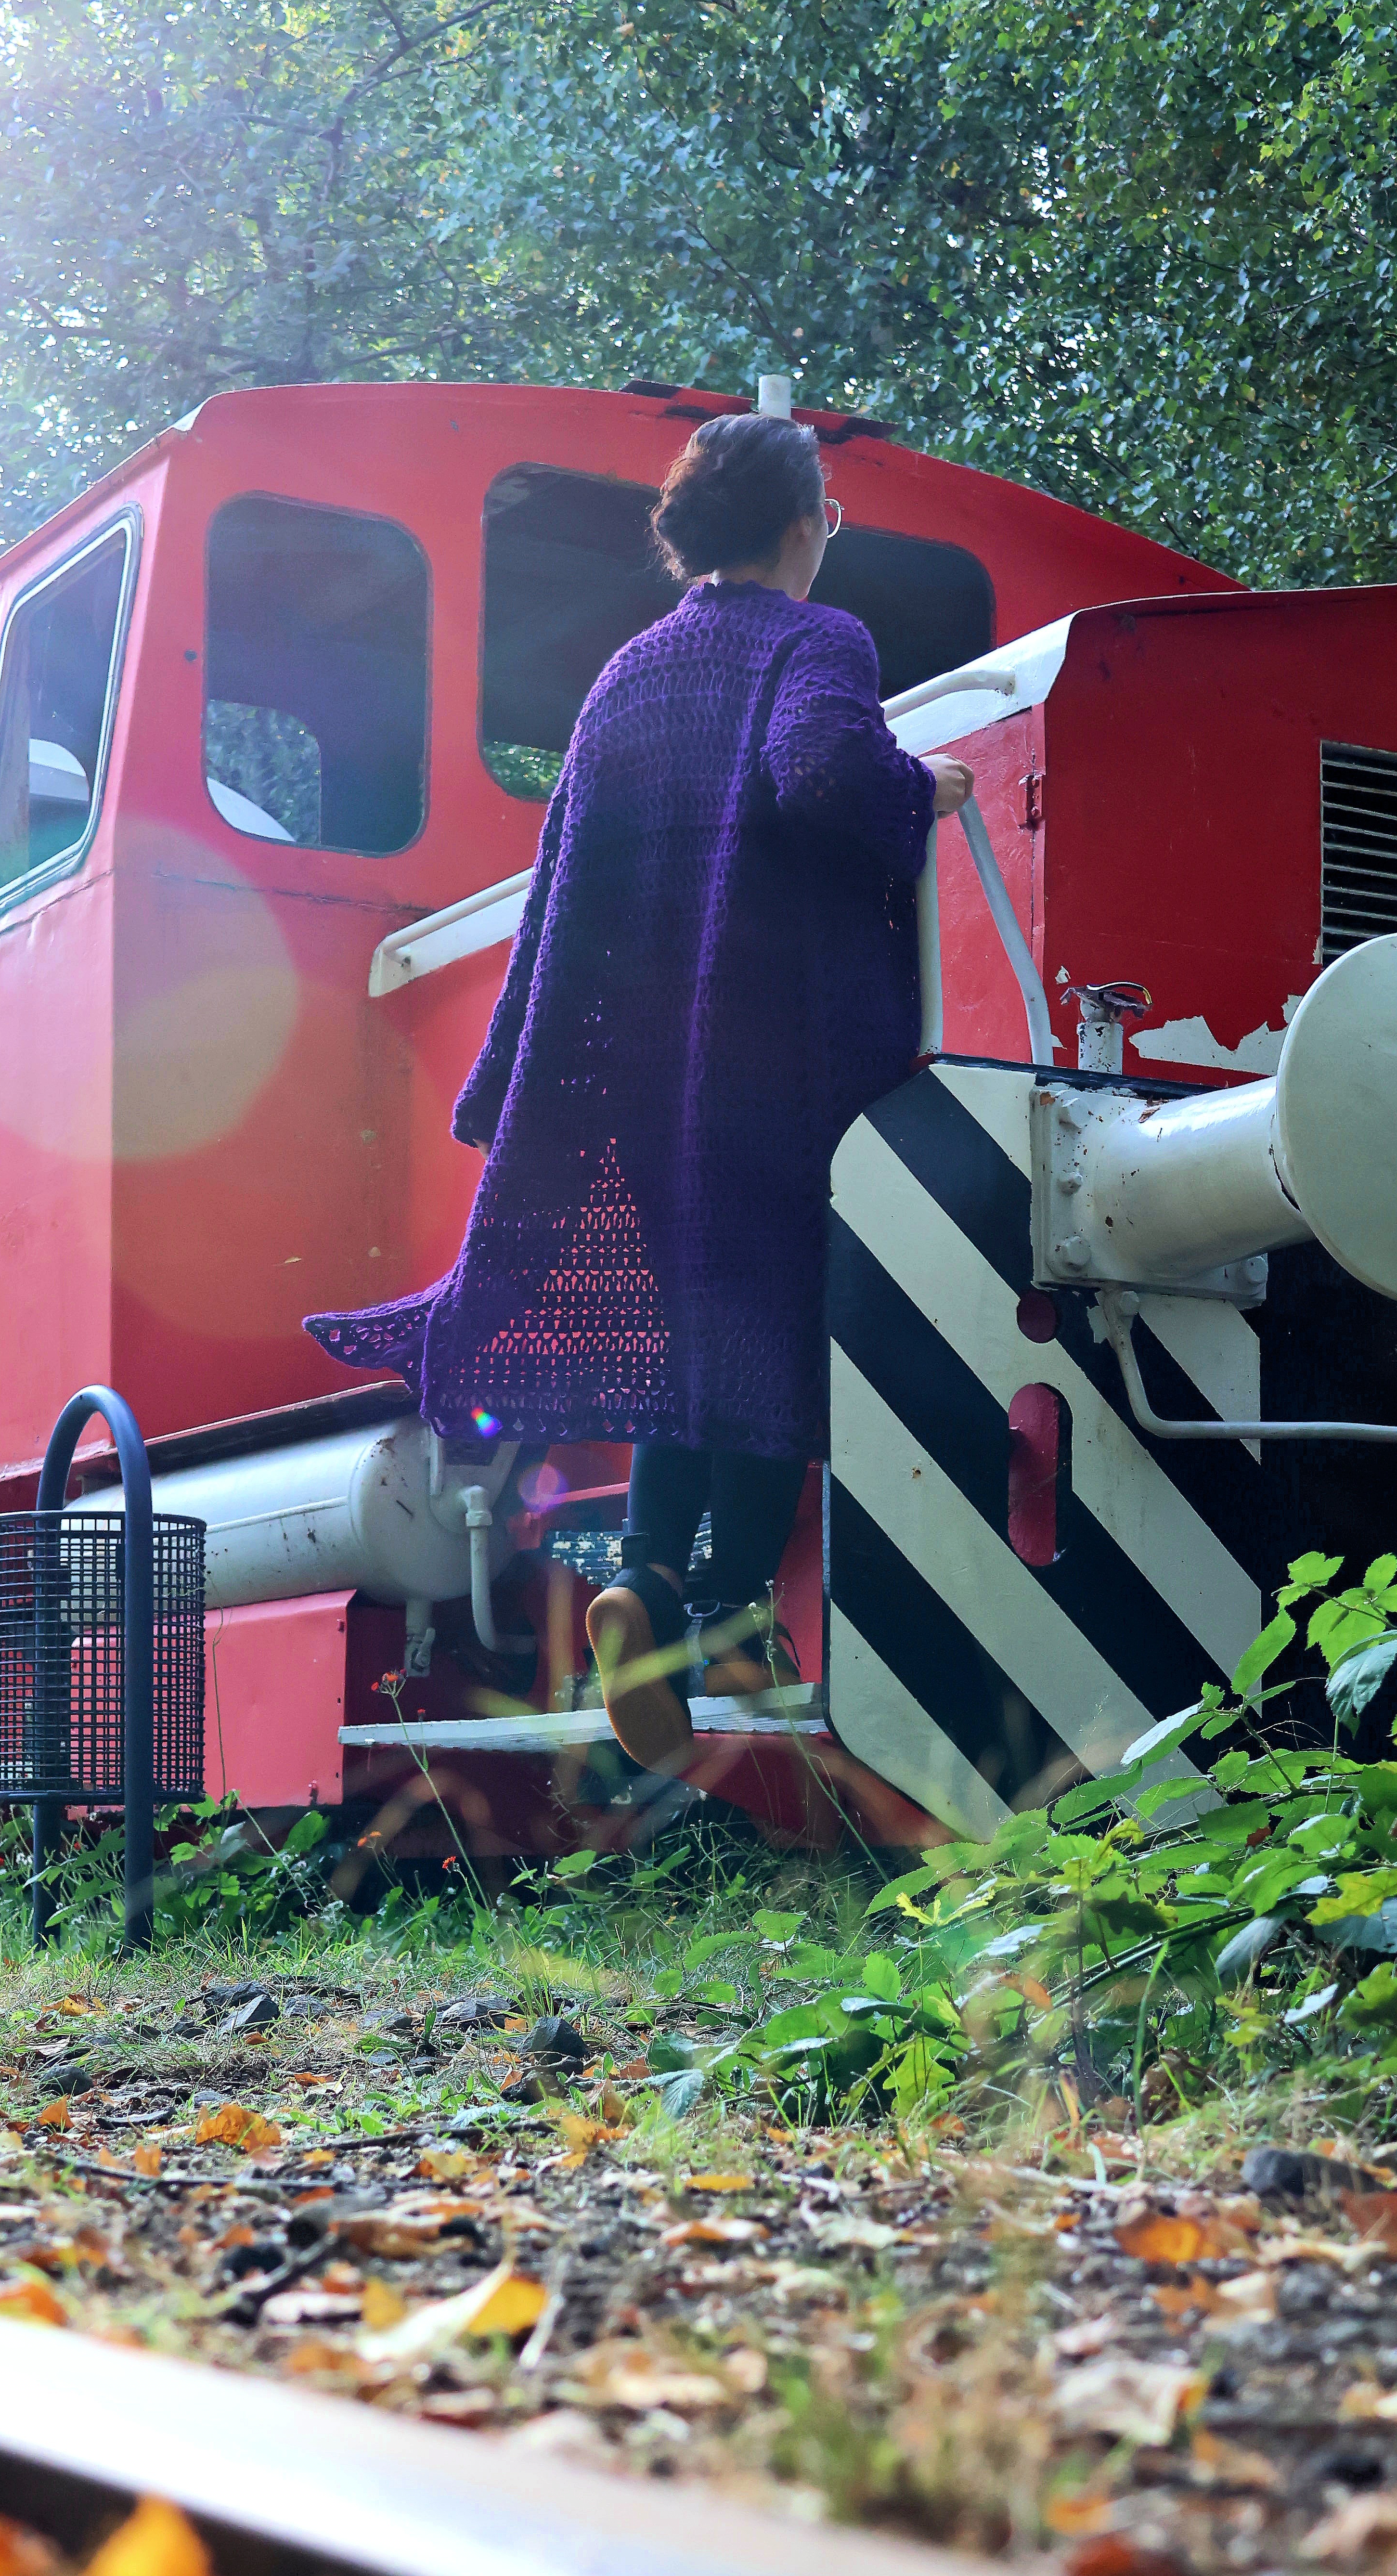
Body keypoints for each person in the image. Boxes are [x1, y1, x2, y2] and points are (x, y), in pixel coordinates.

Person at [302, 410, 973, 1770]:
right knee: (780, 1351)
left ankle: (647, 1579)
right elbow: (824, 771)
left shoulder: (625, 677)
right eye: (830, 513)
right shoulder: (816, 641)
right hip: (788, 1077)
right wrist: (930, 787)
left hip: (651, 1094)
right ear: (803, 527)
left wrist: (520, 1079)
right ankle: (709, 1612)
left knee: (688, 1355)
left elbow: (562, 885)